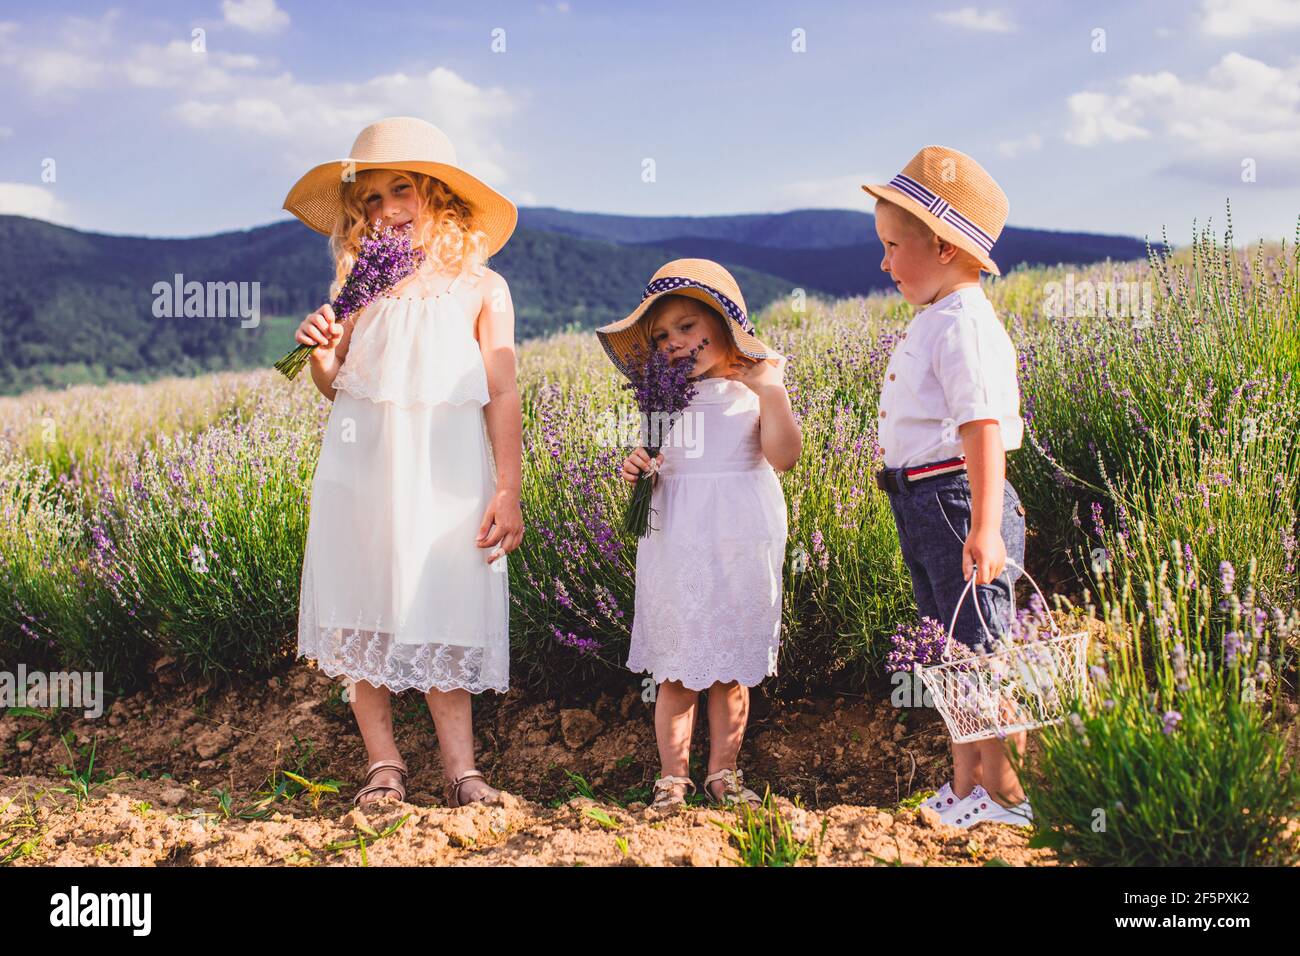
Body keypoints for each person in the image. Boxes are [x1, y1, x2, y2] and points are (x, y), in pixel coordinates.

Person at [286, 116, 524, 809]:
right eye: (373, 199)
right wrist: (320, 352)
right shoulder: (361, 287)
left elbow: (502, 390)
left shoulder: (482, 288)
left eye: (403, 191)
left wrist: (508, 487)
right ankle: (383, 763)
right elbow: (338, 386)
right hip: (363, 470)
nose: (387, 211)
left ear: (439, 197)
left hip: (446, 475)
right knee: (363, 604)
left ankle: (462, 769)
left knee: (441, 599)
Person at [863, 146, 1032, 827]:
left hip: (959, 502)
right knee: (951, 653)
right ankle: (967, 787)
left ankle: (1010, 796)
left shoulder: (964, 324)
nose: (883, 262)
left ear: (941, 246)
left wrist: (986, 526)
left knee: (982, 653)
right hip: (924, 503)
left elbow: (982, 429)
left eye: (892, 245)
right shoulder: (937, 316)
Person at [596, 259, 801, 811]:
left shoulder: (753, 391)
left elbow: (785, 457)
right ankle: (672, 777)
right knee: (678, 666)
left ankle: (724, 773)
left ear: (724, 324)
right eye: (661, 335)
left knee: (730, 669)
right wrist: (639, 467)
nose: (673, 342)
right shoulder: (662, 401)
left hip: (738, 538)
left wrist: (772, 390)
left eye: (687, 326)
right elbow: (659, 462)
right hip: (678, 540)